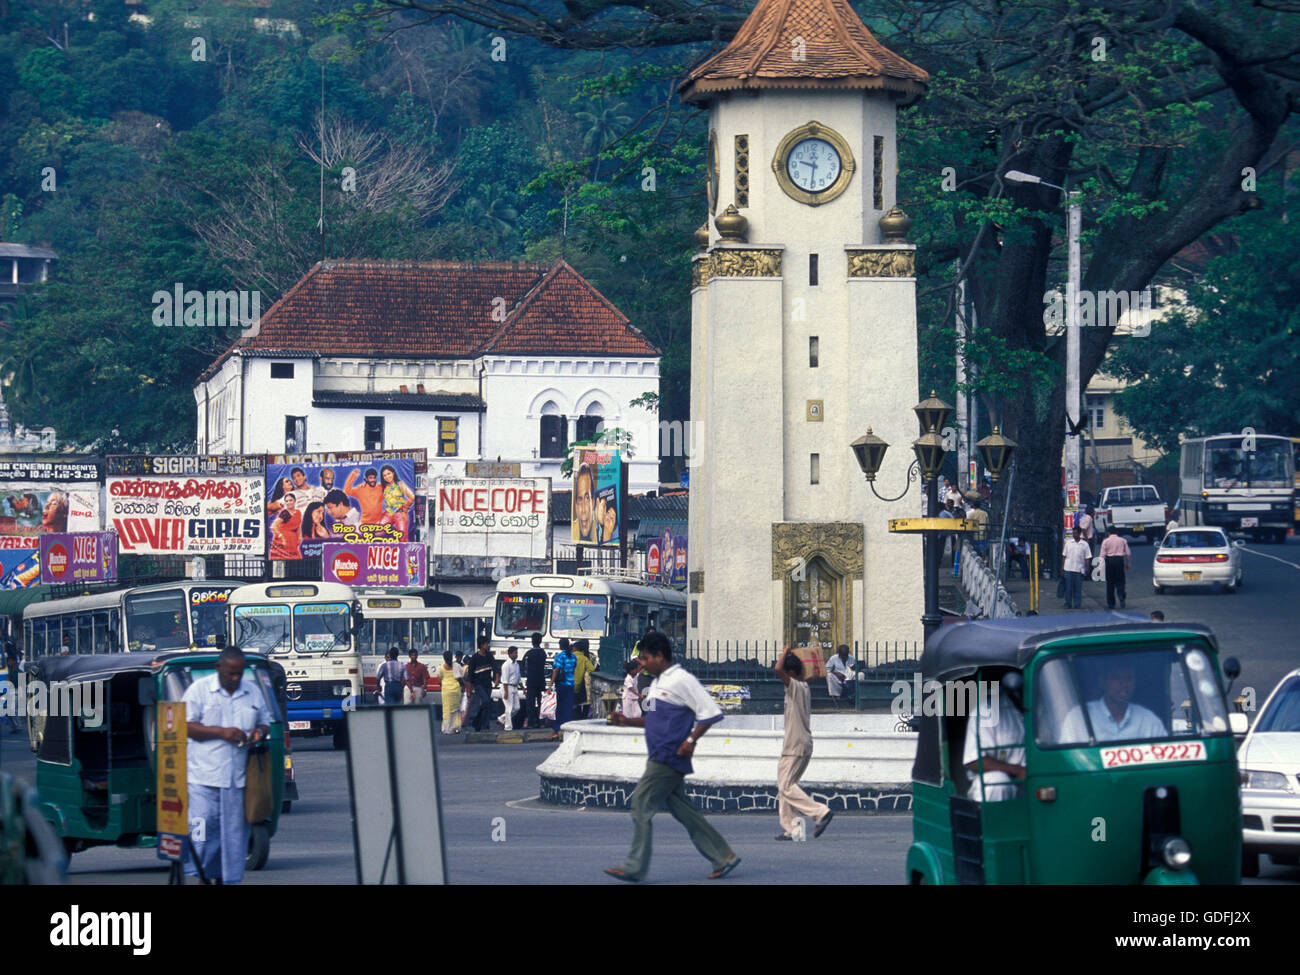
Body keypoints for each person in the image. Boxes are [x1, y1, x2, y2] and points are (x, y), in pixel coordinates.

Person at [603, 632, 741, 883]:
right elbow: (651, 720)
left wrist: (690, 741)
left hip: (667, 757)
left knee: (641, 806)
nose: (641, 664)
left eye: (645, 658)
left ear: (659, 656)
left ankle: (635, 866)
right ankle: (723, 856)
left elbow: (711, 713)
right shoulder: (655, 684)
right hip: (659, 754)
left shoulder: (681, 679)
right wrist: (625, 721)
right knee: (685, 812)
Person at [182, 647, 271, 884]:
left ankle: (224, 879)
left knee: (231, 836)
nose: (235, 678)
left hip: (238, 778)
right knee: (202, 832)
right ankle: (202, 876)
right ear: (218, 668)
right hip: (203, 777)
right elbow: (185, 726)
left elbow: (265, 723)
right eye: (230, 673)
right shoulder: (199, 691)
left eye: (239, 673)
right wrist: (221, 732)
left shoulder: (252, 692)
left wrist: (257, 733)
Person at [773, 649, 833, 840]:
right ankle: (794, 830)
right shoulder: (804, 687)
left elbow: (777, 669)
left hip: (795, 745)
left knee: (786, 787)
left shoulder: (796, 687)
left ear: (791, 673)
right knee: (786, 786)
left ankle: (820, 812)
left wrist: (784, 651)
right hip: (801, 743)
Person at [1059, 661, 1167, 742]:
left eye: (1129, 678)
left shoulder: (1149, 720)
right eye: (1117, 678)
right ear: (1103, 682)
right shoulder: (1079, 717)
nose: (1124, 684)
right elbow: (1066, 759)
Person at [962, 677, 1025, 802]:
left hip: (1036, 777)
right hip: (1001, 780)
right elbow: (974, 760)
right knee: (998, 782)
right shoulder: (987, 711)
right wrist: (1018, 771)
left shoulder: (1049, 707)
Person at [463, 638, 497, 732]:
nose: (488, 645)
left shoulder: (489, 656)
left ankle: (480, 724)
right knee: (486, 702)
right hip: (478, 685)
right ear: (481, 645)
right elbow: (470, 675)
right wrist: (469, 690)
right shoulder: (474, 658)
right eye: (486, 644)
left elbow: (495, 668)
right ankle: (480, 723)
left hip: (488, 684)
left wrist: (496, 679)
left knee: (487, 705)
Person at [549, 637, 577, 740]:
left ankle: (556, 731)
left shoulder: (560, 656)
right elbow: (573, 670)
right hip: (571, 684)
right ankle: (568, 730)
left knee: (559, 708)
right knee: (568, 707)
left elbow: (556, 671)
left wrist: (550, 685)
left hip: (561, 684)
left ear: (560, 645)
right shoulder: (573, 657)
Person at [1098, 528, 1132, 609]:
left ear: (1109, 533)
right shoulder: (1122, 540)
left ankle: (1111, 603)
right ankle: (1121, 595)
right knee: (1120, 580)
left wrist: (1099, 568)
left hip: (1109, 562)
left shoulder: (1105, 541)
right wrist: (1128, 563)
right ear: (1117, 532)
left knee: (1110, 583)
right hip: (1119, 561)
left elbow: (1102, 555)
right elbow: (1128, 553)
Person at [378, 464, 415, 537]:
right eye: (384, 475)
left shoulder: (399, 484)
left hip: (400, 514)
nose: (387, 477)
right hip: (388, 514)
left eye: (388, 474)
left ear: (393, 473)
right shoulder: (383, 486)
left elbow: (412, 497)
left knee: (402, 536)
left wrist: (406, 507)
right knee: (378, 532)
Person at [1061, 526, 1091, 609]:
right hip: (1068, 568)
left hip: (1079, 569)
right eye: (1073, 533)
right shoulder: (1068, 543)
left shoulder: (1084, 544)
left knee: (1078, 588)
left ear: (1080, 534)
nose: (1074, 535)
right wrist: (1062, 569)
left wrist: (1087, 568)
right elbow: (1064, 556)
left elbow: (1087, 557)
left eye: (1076, 533)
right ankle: (1068, 603)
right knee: (1068, 588)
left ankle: (1077, 604)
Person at [522, 632, 547, 728]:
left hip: (531, 681)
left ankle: (531, 723)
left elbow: (524, 665)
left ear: (532, 641)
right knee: (541, 702)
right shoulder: (543, 653)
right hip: (541, 681)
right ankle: (541, 723)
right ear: (540, 641)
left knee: (530, 703)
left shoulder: (529, 653)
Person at [268, 492, 303, 559]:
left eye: (290, 500)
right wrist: (281, 536)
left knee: (295, 561)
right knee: (282, 562)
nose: (288, 502)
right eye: (286, 501)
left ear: (295, 501)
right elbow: (273, 526)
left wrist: (299, 536)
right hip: (283, 542)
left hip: (293, 542)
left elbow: (298, 525)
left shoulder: (298, 512)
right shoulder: (285, 513)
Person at [572, 464, 597, 543]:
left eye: (587, 499)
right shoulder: (573, 530)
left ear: (593, 502)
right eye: (579, 500)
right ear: (575, 505)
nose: (583, 510)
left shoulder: (602, 532)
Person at [498, 646, 521, 730]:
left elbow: (519, 677)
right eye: (515, 653)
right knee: (509, 708)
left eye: (517, 653)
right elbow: (504, 680)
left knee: (517, 707)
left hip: (515, 687)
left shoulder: (516, 664)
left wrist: (523, 688)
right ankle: (508, 727)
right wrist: (506, 692)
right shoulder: (506, 665)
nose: (516, 654)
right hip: (507, 687)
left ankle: (502, 719)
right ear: (510, 654)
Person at [438, 651, 462, 733]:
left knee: (447, 710)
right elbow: (461, 677)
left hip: (446, 691)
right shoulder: (457, 666)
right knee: (456, 709)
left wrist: (444, 687)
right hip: (456, 690)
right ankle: (456, 727)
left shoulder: (441, 668)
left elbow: (439, 680)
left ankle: (447, 728)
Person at [572, 638, 595, 718]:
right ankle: (584, 718)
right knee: (586, 703)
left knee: (575, 703)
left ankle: (576, 717)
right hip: (585, 683)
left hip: (572, 683)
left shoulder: (571, 656)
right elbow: (592, 669)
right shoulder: (589, 657)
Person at [2, 640, 21, 734]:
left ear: (14, 661)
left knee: (13, 710)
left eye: (9, 661)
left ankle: (17, 726)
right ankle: (14, 727)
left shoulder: (19, 672)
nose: (8, 662)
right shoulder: (10, 671)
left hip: (16, 692)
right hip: (11, 692)